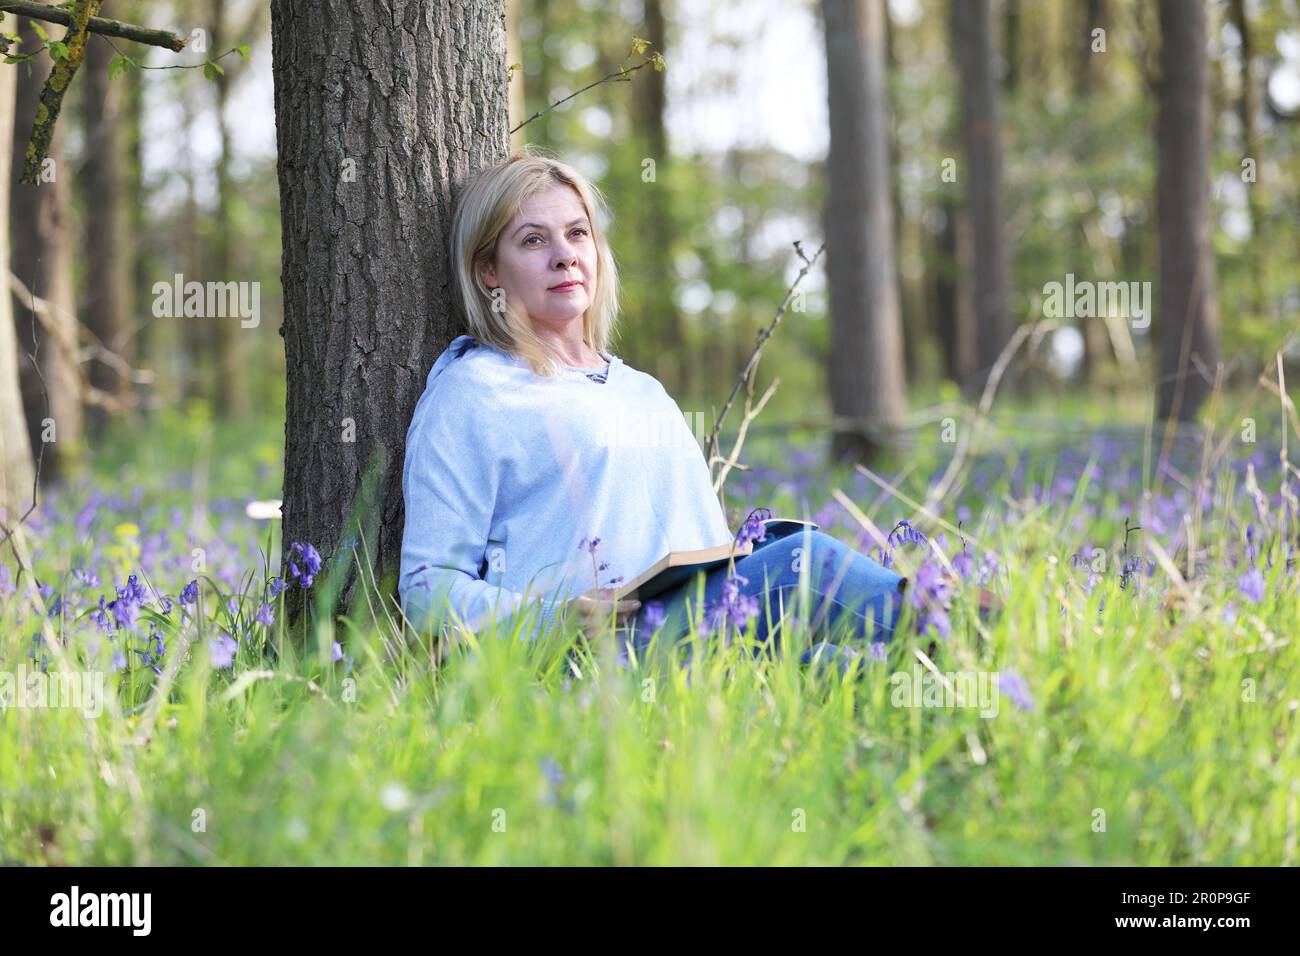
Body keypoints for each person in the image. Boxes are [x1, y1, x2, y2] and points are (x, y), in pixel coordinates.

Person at [398, 147, 907, 659]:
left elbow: (711, 555)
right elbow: (426, 588)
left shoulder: (643, 392)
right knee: (806, 562)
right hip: (585, 658)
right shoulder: (474, 392)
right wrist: (552, 616)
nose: (564, 255)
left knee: (849, 669)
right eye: (533, 240)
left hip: (698, 638)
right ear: (488, 271)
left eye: (578, 233)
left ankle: (964, 645)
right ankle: (959, 625)